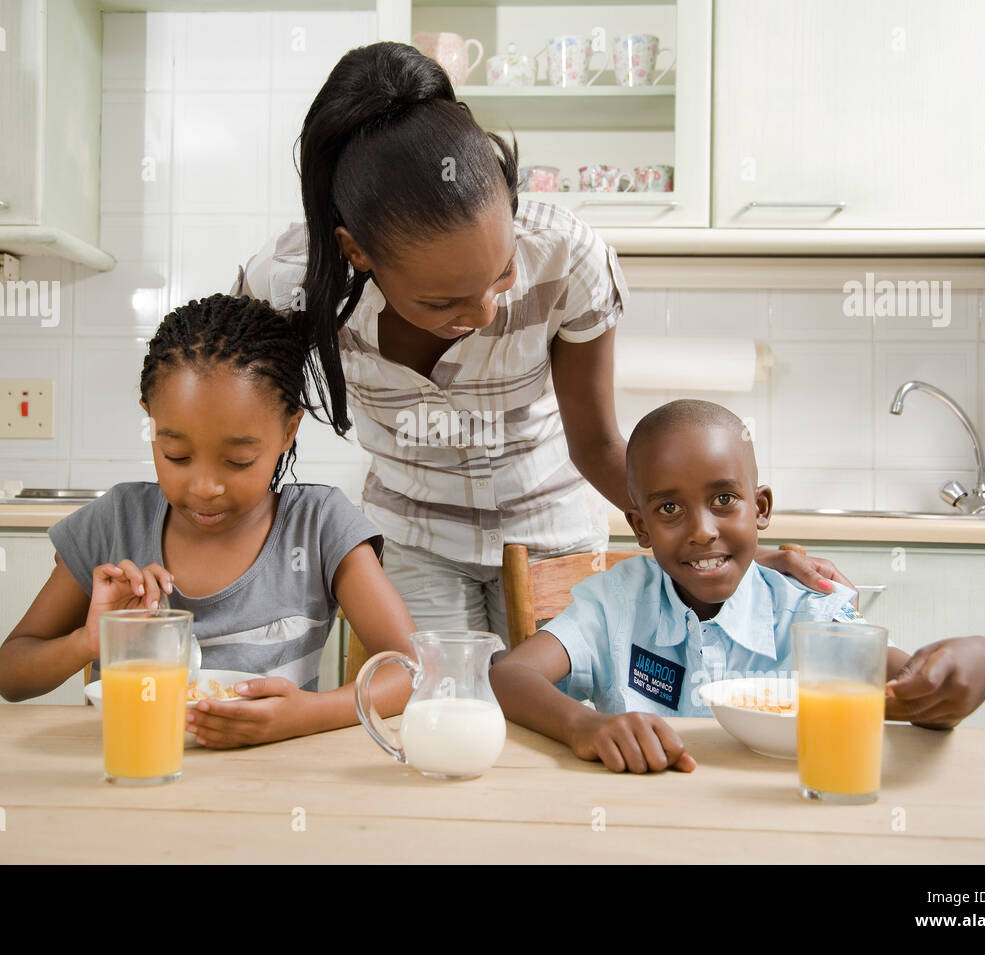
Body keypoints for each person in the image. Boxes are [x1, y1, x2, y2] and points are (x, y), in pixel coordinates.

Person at [235, 40, 851, 638]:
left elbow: (599, 444)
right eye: (441, 301)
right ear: (357, 252)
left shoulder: (564, 257)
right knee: (431, 717)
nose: (482, 312)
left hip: (549, 529)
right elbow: (242, 437)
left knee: (557, 720)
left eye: (500, 274)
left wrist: (742, 555)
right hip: (411, 539)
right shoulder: (286, 284)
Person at [489, 399, 985, 774]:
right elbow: (509, 677)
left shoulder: (807, 613)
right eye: (669, 509)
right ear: (641, 527)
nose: (701, 530)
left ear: (760, 509)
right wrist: (585, 726)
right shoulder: (614, 602)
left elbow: (910, 683)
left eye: (723, 500)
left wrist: (979, 659)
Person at [0, 294, 416, 748]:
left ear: (289, 431)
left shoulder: (320, 527)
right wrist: (89, 641)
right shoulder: (116, 522)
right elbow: (10, 677)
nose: (205, 486)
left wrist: (307, 714)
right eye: (177, 455)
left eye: (238, 460)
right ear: (150, 422)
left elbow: (412, 671)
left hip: (273, 785)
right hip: (133, 772)